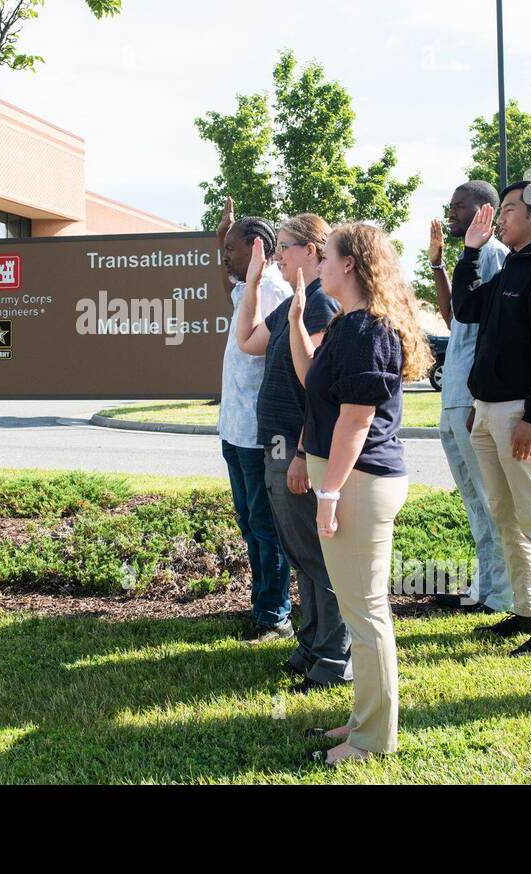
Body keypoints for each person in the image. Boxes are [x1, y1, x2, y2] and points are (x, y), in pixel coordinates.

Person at [290, 223, 433, 763]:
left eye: (325, 257)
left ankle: (373, 741)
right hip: (347, 477)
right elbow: (315, 385)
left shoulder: (367, 329)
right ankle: (360, 722)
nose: (318, 264)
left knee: (367, 614)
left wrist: (328, 494)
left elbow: (355, 419)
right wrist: (297, 322)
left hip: (359, 481)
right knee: (358, 610)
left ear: (349, 264)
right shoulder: (347, 324)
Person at [452, 182, 531, 657]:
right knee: (505, 515)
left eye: (508, 209)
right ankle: (526, 611)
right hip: (489, 412)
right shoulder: (512, 266)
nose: (499, 218)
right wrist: (470, 254)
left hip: (522, 416)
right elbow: (465, 308)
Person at [234, 213, 352, 691]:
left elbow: (319, 390)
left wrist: (302, 454)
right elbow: (247, 342)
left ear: (312, 250)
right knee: (300, 553)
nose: (277, 254)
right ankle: (310, 644)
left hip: (300, 450)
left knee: (319, 556)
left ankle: (334, 658)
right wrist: (252, 283)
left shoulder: (323, 307)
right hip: (277, 445)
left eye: (284, 246)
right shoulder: (292, 307)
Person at [428, 182, 513, 616]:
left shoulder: (494, 254)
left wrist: (479, 401)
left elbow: (491, 330)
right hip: (453, 393)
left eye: (458, 206)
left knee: (490, 497)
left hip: (471, 396)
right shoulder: (470, 258)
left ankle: (503, 594)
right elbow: (455, 314)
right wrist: (439, 266)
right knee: (474, 499)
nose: (451, 213)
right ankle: (487, 585)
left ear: (484, 210)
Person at [216, 198, 295, 640]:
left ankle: (275, 615)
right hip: (234, 432)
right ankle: (263, 605)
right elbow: (226, 275)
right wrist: (218, 239)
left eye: (231, 247)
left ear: (256, 246)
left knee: (267, 528)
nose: (225, 256)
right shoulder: (247, 288)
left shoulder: (274, 293)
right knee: (250, 524)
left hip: (258, 436)